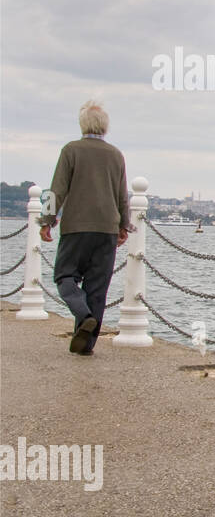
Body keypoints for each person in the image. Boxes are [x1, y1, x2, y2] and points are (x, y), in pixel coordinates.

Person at [38, 101, 130, 356]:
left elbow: (56, 188)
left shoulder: (71, 150)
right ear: (105, 126)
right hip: (107, 229)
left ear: (83, 124)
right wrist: (124, 225)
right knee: (97, 289)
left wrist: (46, 221)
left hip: (76, 227)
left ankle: (82, 314)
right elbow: (123, 195)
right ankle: (86, 345)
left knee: (64, 276)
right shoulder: (116, 154)